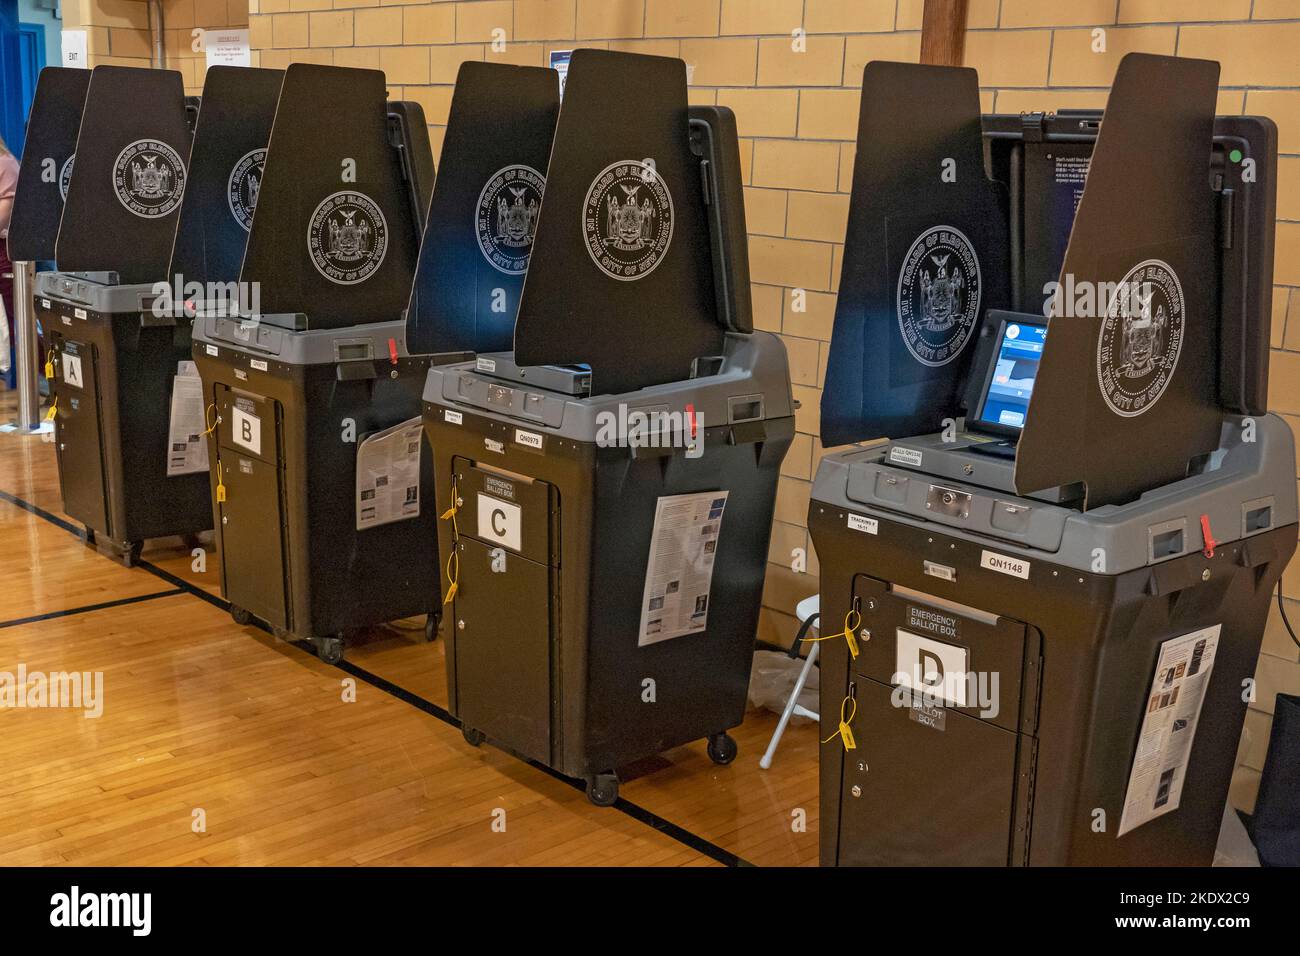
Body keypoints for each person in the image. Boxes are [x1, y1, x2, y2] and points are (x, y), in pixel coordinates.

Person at [0, 133, 20, 388]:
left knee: (17, 322)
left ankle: (49, 377)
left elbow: (2, 218)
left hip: (4, 252)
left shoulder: (5, 165)